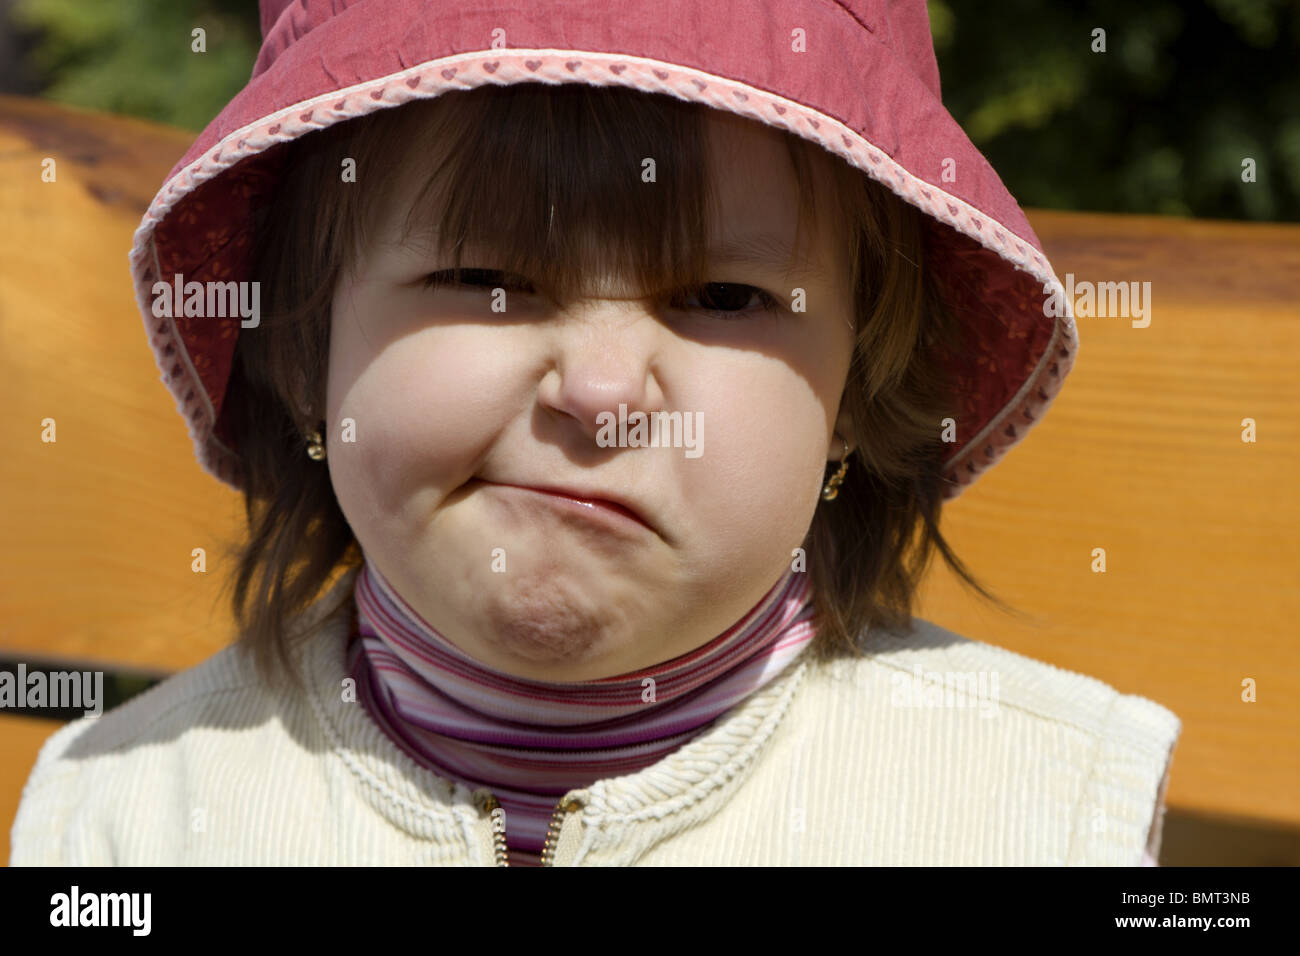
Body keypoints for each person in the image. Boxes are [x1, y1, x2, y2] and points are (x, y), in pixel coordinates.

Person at [10, 0, 1178, 866]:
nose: (607, 389)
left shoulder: (1033, 810)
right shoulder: (129, 819)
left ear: (855, 399)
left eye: (724, 297)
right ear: (304, 349)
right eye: (485, 276)